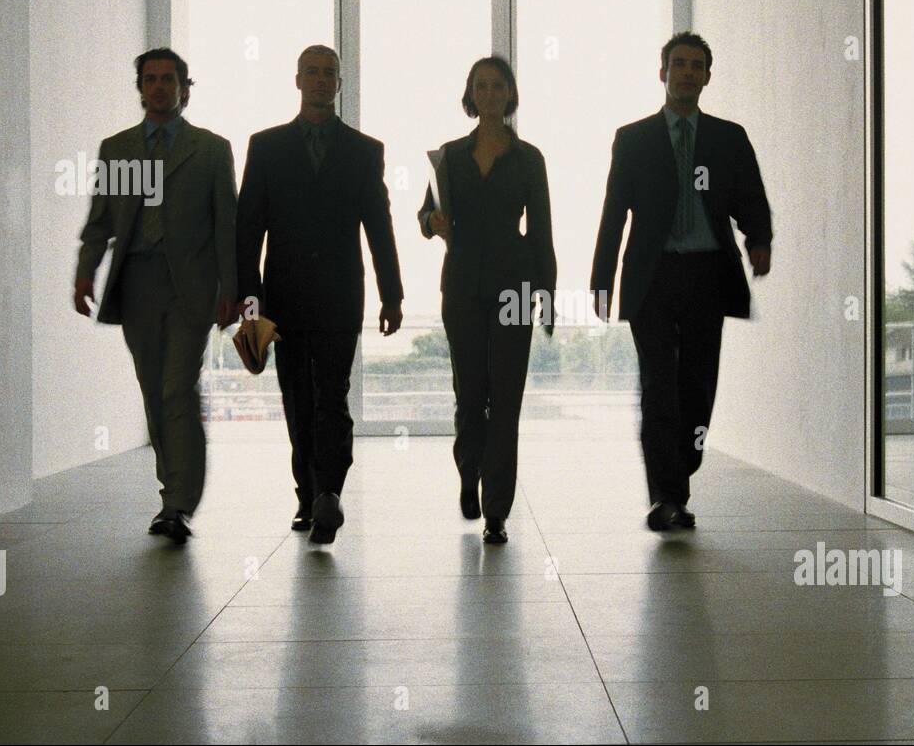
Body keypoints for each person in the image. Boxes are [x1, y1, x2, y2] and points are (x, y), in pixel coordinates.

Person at [590, 32, 772, 531]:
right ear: (662, 72)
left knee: (697, 386)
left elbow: (749, 196)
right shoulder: (634, 138)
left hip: (707, 276)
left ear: (708, 76)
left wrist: (760, 239)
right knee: (658, 385)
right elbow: (613, 214)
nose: (687, 72)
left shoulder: (728, 138)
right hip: (653, 277)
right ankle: (666, 496)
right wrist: (601, 280)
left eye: (697, 65)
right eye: (679, 64)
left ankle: (681, 467)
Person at [236, 45, 404, 545]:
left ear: (339, 84)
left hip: (338, 297)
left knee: (333, 397)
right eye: (311, 71)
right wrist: (250, 304)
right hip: (281, 300)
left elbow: (380, 227)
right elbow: (248, 232)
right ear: (297, 80)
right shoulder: (265, 147)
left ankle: (328, 492)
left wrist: (391, 295)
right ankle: (306, 494)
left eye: (329, 73)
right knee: (297, 400)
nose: (319, 80)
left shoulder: (364, 150)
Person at [74, 47, 238, 543]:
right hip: (138, 284)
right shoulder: (119, 149)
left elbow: (226, 226)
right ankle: (171, 492)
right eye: (151, 79)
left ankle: (179, 503)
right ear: (141, 88)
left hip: (190, 286)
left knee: (176, 388)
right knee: (153, 389)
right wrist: (85, 274)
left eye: (169, 79)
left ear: (185, 89)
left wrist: (232, 291)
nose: (160, 87)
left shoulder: (210, 150)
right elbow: (101, 222)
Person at [417, 56, 556, 544]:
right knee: (470, 395)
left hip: (514, 286)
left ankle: (497, 509)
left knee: (507, 397)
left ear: (510, 94)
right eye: (482, 86)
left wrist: (548, 294)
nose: (490, 93)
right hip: (461, 287)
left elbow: (541, 232)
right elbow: (426, 213)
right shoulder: (449, 157)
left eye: (498, 86)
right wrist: (432, 223)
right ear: (470, 94)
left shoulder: (529, 158)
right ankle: (468, 472)